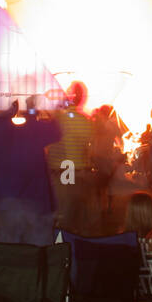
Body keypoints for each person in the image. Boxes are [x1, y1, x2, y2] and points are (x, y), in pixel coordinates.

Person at [0, 100, 61, 246]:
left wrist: (7, 113)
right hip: (38, 203)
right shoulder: (33, 132)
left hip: (7, 202)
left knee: (10, 254)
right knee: (38, 255)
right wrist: (32, 111)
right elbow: (55, 131)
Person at [47, 88, 96, 233]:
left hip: (63, 169)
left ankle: (62, 245)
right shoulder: (84, 120)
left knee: (63, 212)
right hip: (79, 169)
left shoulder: (58, 120)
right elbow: (89, 145)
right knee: (77, 213)